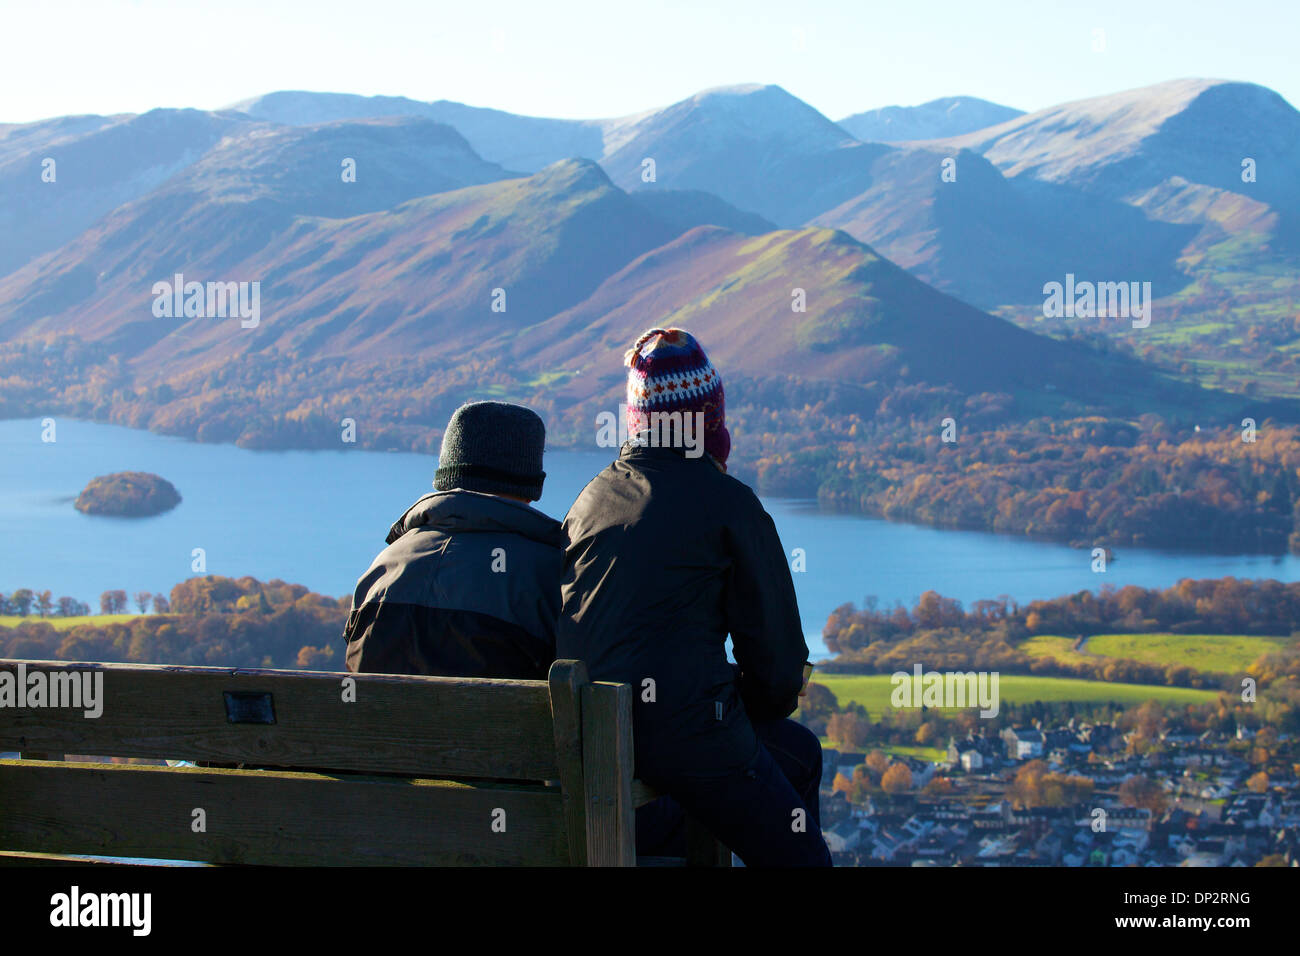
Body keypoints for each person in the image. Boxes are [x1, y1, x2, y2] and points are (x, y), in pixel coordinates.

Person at [557, 328, 832, 866]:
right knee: (804, 859)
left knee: (798, 755)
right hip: (688, 735)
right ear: (710, 422)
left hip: (595, 741)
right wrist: (739, 708)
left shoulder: (590, 501)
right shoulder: (727, 504)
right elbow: (776, 671)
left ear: (636, 420)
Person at [344, 401, 562, 679]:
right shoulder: (552, 574)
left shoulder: (383, 567)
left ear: (446, 473)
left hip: (373, 723)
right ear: (532, 482)